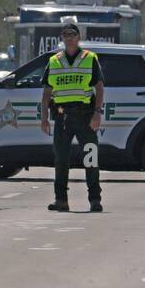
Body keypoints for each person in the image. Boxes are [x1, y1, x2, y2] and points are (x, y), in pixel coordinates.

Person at [39, 22, 104, 212]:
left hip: (85, 116)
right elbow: (46, 93)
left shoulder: (89, 58)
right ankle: (61, 200)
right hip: (62, 117)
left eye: (73, 34)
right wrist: (44, 118)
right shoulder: (54, 61)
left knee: (90, 158)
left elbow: (99, 88)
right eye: (66, 34)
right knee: (61, 160)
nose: (69, 38)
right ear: (62, 38)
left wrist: (97, 114)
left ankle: (95, 199)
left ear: (78, 37)